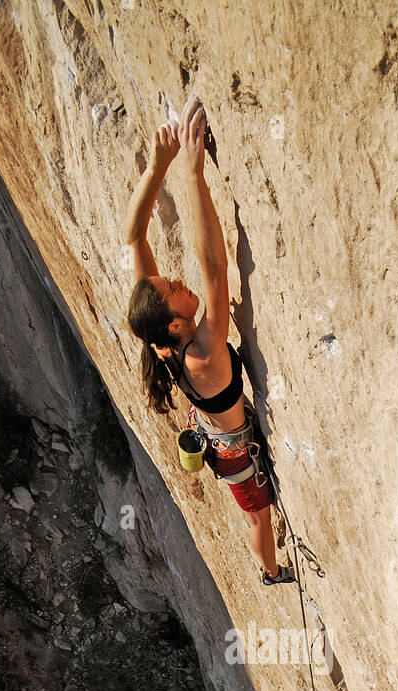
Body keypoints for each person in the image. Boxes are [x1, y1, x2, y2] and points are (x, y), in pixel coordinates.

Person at [123, 92, 294, 586]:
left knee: (255, 514)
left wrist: (158, 167)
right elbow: (215, 267)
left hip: (213, 429)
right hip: (234, 453)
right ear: (174, 322)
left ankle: (270, 568)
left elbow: (134, 237)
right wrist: (194, 176)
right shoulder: (201, 351)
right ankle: (270, 572)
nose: (177, 280)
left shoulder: (160, 339)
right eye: (173, 290)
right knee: (257, 517)